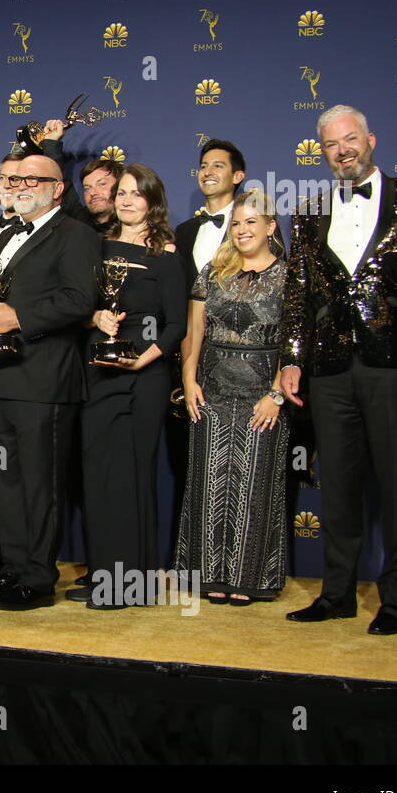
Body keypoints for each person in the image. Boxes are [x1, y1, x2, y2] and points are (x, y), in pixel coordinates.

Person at [281, 105, 397, 636]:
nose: (343, 150)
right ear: (323, 152)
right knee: (336, 483)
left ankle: (395, 598)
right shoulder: (309, 211)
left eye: (351, 139)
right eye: (333, 144)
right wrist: (292, 358)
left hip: (395, 360)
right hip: (330, 365)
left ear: (370, 140)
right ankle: (337, 594)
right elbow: (298, 295)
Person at [0, 156, 100, 610]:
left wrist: (20, 318)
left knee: (40, 486)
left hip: (45, 380)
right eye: (17, 178)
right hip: (1, 377)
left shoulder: (76, 235)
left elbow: (79, 299)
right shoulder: (6, 234)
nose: (23, 185)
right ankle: (12, 567)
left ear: (58, 189)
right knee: (6, 481)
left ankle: (38, 578)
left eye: (35, 179)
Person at [70, 164, 185, 609]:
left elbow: (176, 324)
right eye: (121, 193)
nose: (127, 200)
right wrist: (92, 318)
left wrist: (144, 358)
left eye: (137, 194)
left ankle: (131, 582)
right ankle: (103, 574)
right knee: (97, 476)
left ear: (153, 201)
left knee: (132, 477)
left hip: (144, 376)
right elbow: (78, 303)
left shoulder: (166, 254)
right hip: (97, 368)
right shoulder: (94, 247)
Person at [175, 189, 290, 604]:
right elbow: (194, 332)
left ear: (270, 227)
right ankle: (206, 576)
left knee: (253, 485)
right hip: (212, 389)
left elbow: (296, 342)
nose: (242, 230)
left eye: (251, 223)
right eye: (236, 223)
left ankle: (249, 578)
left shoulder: (289, 277)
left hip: (263, 393)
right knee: (208, 482)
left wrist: (275, 395)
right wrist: (188, 380)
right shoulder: (212, 272)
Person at [174, 139, 247, 291]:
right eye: (203, 166)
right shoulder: (182, 232)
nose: (207, 172)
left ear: (237, 176)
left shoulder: (254, 227)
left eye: (218, 166)